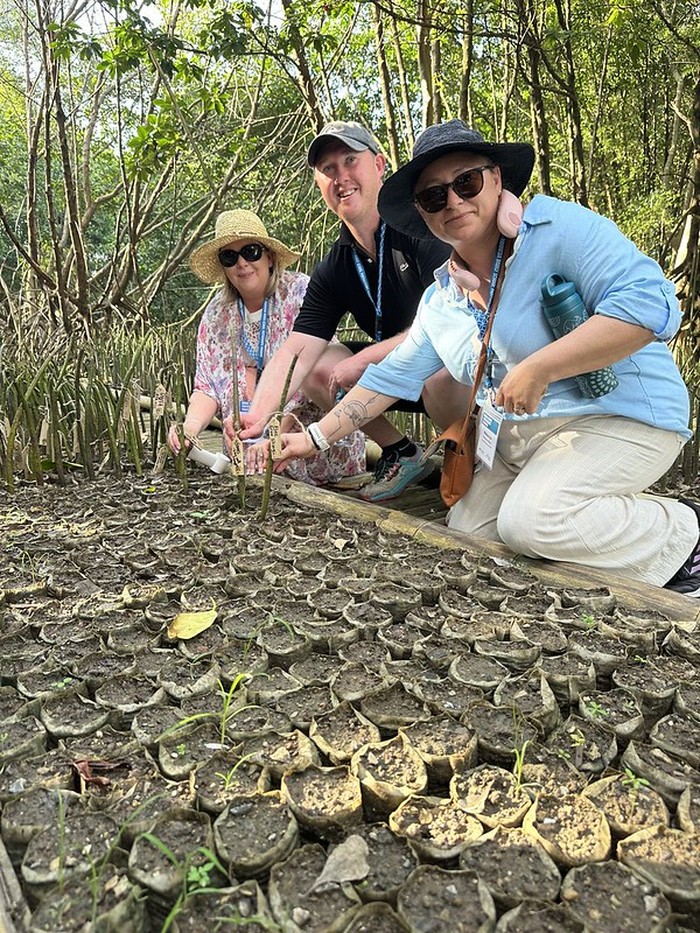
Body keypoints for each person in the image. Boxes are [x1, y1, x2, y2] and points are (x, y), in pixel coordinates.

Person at [272, 119, 700, 596]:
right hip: (522, 441)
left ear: (496, 179)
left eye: (467, 182)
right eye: (434, 196)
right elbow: (387, 379)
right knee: (470, 532)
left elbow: (653, 306)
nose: (453, 202)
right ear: (422, 213)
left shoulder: (558, 229)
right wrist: (312, 438)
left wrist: (542, 366)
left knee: (531, 523)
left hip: (620, 416)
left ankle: (685, 534)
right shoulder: (442, 299)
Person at [225, 121, 455, 502]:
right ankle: (401, 452)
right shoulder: (336, 264)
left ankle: (469, 459)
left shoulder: (420, 226)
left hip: (448, 370)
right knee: (320, 363)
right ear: (319, 184)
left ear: (379, 165)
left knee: (440, 370)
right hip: (390, 380)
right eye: (328, 169)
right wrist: (256, 418)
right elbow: (296, 351)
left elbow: (449, 325)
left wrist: (364, 358)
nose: (341, 177)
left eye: (350, 160)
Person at [168, 209, 366, 486]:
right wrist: (190, 428)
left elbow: (321, 372)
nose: (242, 263)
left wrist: (272, 430)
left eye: (250, 252)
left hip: (314, 451)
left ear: (269, 256)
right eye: (229, 257)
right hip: (246, 458)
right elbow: (206, 387)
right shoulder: (215, 315)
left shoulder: (300, 292)